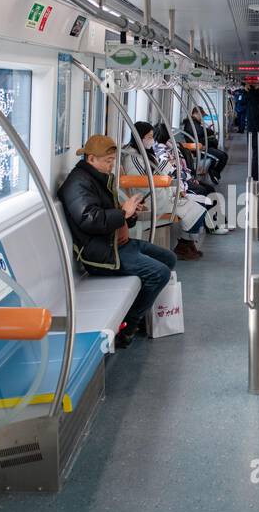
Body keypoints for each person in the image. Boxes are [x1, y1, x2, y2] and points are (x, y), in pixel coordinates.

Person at [59, 134, 177, 348]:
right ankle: (130, 323)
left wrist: (129, 214)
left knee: (168, 258)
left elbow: (111, 215)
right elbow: (90, 219)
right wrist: (123, 212)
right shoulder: (77, 184)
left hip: (117, 243)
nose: (112, 165)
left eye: (113, 161)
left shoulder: (97, 178)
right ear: (91, 159)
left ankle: (138, 312)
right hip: (102, 253)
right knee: (160, 273)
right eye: (108, 161)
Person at [122, 123, 208, 261]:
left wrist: (175, 190)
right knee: (196, 209)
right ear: (139, 138)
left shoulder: (144, 153)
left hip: (160, 194)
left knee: (199, 206)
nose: (151, 140)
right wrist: (170, 192)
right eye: (148, 137)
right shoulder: (133, 158)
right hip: (150, 200)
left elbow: (158, 175)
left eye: (152, 137)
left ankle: (186, 243)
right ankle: (184, 245)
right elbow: (144, 183)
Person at [180, 105, 228, 181]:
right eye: (201, 116)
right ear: (196, 113)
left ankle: (214, 172)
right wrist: (209, 131)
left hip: (201, 146)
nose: (202, 118)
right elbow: (200, 132)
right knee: (222, 157)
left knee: (223, 155)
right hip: (197, 150)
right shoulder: (191, 124)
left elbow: (201, 132)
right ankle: (214, 172)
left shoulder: (194, 123)